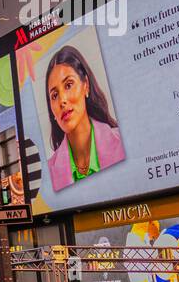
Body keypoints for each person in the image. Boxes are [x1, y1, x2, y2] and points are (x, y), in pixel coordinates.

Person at [44, 45, 126, 192]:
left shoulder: (124, 141)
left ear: (86, 86)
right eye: (54, 95)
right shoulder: (47, 173)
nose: (62, 100)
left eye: (68, 85)